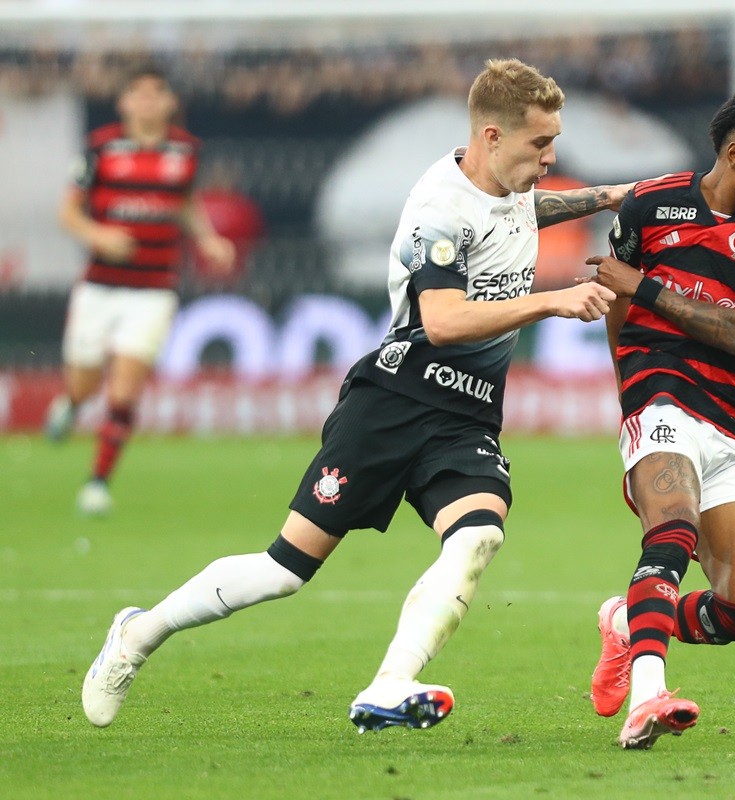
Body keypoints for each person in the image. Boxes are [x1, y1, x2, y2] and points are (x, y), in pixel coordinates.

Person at [80, 58, 626, 732]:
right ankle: (137, 634)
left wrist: (604, 196)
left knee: (478, 535)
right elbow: (444, 321)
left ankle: (390, 684)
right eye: (540, 144)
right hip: (393, 402)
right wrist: (554, 300)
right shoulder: (438, 210)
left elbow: (519, 211)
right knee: (285, 570)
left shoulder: (501, 184)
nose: (551, 156)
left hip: (465, 415)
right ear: (490, 136)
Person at [584, 84, 735, 749]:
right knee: (672, 529)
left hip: (733, 420)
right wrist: (632, 393)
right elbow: (619, 313)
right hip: (659, 399)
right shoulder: (650, 206)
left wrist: (649, 286)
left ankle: (629, 623)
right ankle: (648, 699)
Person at [45, 64, 237, 516]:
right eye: (139, 93)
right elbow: (68, 213)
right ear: (124, 102)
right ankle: (71, 404)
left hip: (154, 288)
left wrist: (208, 238)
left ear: (170, 102)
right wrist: (99, 236)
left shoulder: (186, 152)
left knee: (125, 389)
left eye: (157, 93)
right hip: (99, 287)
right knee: (84, 383)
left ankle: (97, 483)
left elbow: (185, 204)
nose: (148, 101)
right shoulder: (101, 148)